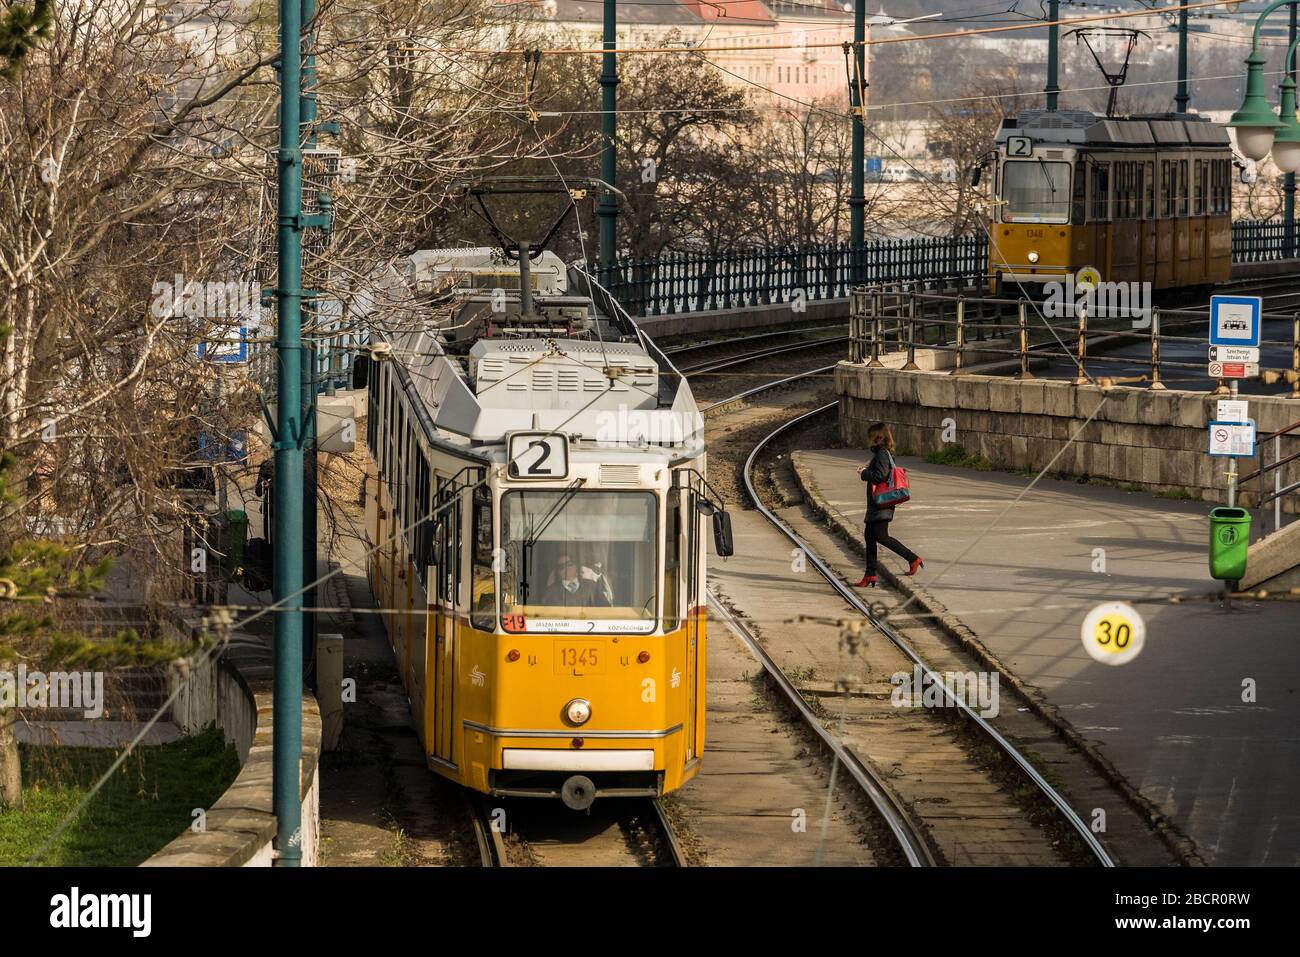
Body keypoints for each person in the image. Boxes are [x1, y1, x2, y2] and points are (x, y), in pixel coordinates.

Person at [855, 422, 922, 587]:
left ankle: (913, 558)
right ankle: (870, 575)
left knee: (881, 537)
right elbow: (881, 471)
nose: (868, 440)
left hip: (881, 503)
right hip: (877, 504)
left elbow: (881, 476)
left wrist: (864, 473)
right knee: (869, 537)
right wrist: (868, 466)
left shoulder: (882, 454)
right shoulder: (881, 454)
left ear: (876, 437)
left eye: (870, 437)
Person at [541, 555, 608, 607]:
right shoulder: (550, 592)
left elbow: (605, 608)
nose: (566, 568)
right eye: (561, 566)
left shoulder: (592, 586)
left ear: (577, 566)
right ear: (557, 571)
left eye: (569, 564)